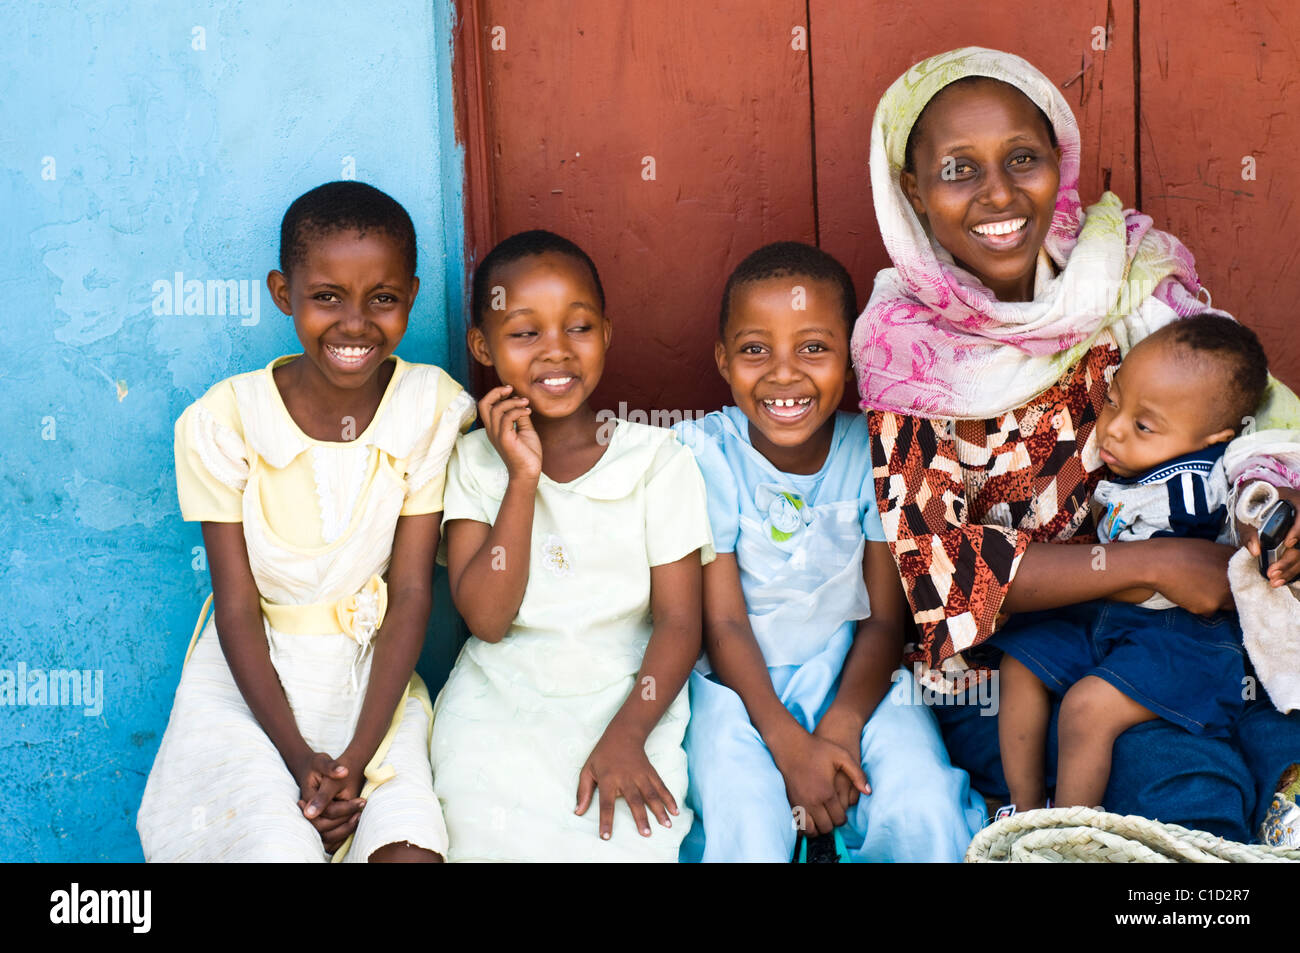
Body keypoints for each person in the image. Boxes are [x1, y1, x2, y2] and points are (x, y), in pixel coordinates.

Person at [851, 46, 1300, 843]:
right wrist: (1152, 564)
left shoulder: (1124, 274)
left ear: (1058, 162)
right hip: (1010, 666)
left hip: (1179, 621)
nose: (998, 193)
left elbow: (1249, 413)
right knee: (1166, 771)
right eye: (960, 169)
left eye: (1022, 158)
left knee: (1260, 748)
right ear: (913, 192)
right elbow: (942, 565)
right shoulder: (902, 350)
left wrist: (1283, 507)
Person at [138, 181, 474, 862]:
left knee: (410, 850)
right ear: (283, 293)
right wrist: (298, 758)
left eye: (382, 298)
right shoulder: (224, 421)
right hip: (251, 694)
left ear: (410, 296)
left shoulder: (428, 406)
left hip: (371, 687)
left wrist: (353, 757)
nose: (355, 323)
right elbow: (235, 606)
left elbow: (412, 591)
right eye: (327, 297)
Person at [673, 241, 984, 863]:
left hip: (856, 680)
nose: (784, 374)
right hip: (733, 689)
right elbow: (725, 623)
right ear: (722, 359)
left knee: (921, 803)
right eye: (755, 349)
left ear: (852, 357)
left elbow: (882, 622)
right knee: (746, 818)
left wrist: (841, 725)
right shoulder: (702, 454)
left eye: (813, 348)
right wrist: (790, 747)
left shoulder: (873, 452)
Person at [429, 230, 714, 861]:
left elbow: (678, 622)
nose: (555, 352)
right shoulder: (475, 462)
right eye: (525, 333)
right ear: (482, 345)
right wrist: (522, 479)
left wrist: (627, 735)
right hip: (499, 711)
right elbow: (488, 620)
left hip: (631, 702)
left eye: (577, 327)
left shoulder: (656, 460)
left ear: (606, 334)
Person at [995, 315, 1268, 812]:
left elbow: (1259, 486)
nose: (1112, 431)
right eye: (1113, 402)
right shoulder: (1137, 465)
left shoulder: (1205, 479)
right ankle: (1024, 810)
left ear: (1213, 438)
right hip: (1104, 615)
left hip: (1183, 636)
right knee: (1019, 665)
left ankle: (1067, 831)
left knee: (1087, 708)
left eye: (1143, 425)